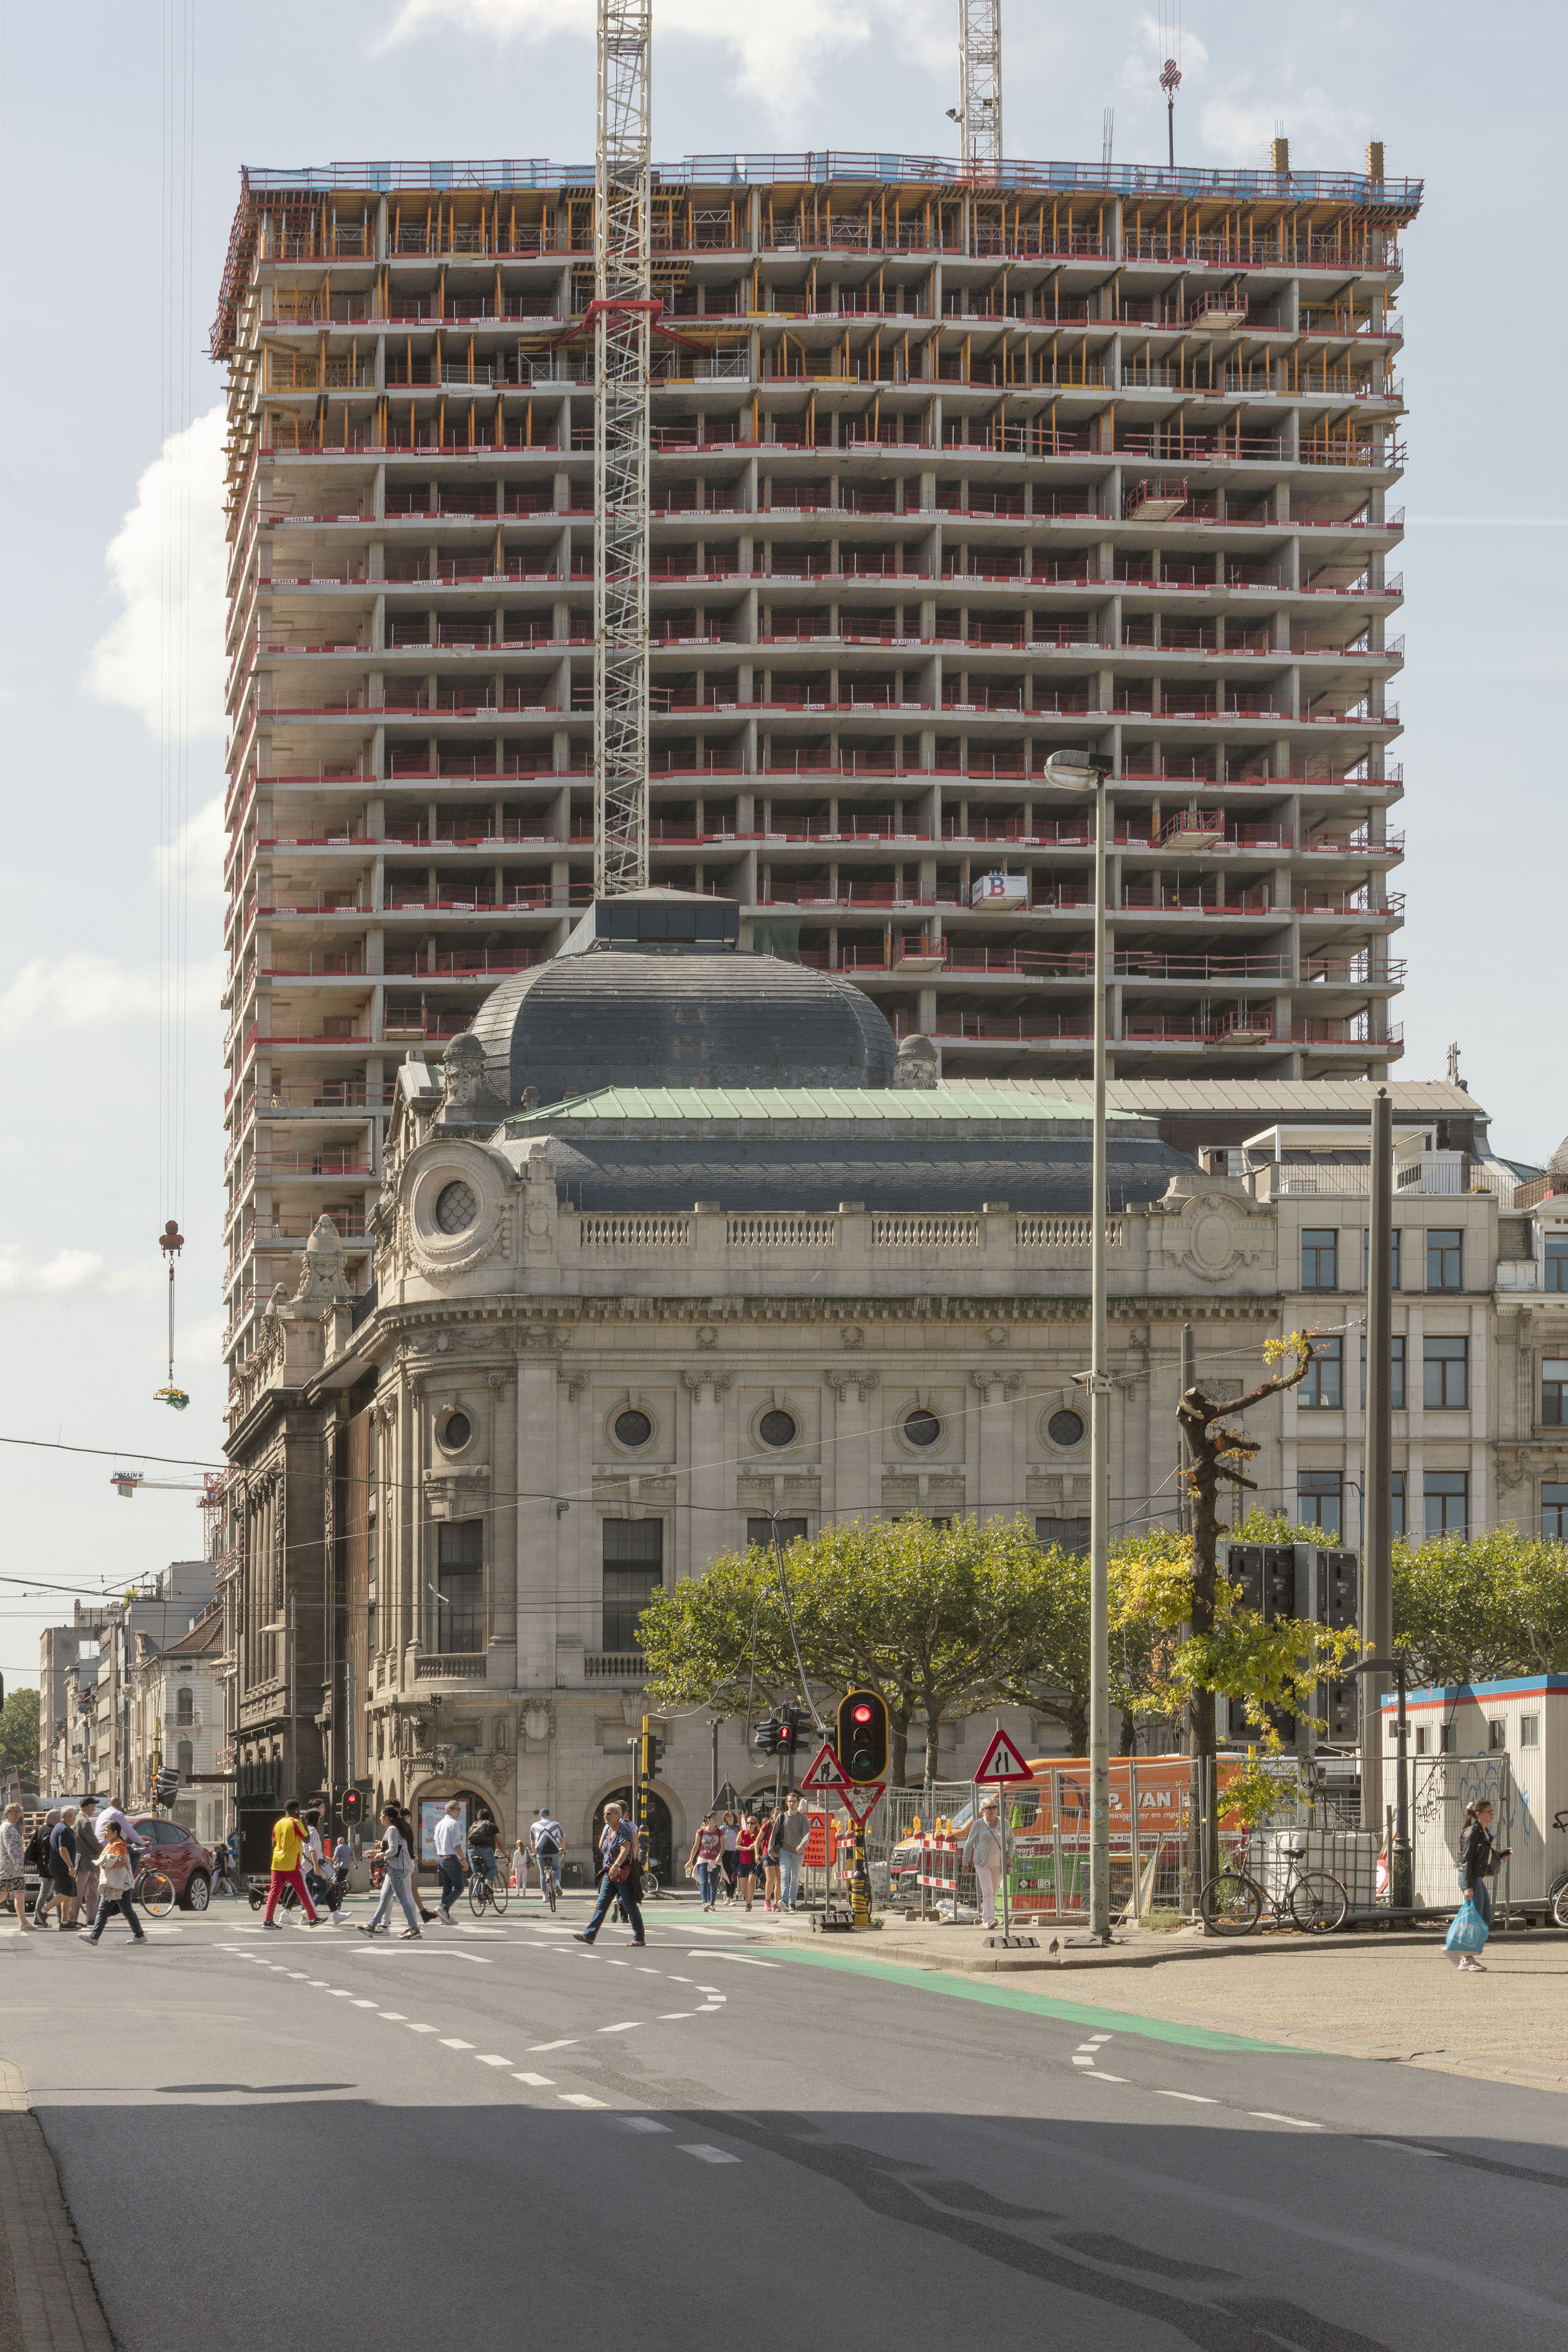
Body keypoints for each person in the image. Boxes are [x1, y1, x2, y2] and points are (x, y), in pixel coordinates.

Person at [573, 1803, 644, 1948]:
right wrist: (609, 1863)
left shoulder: (622, 1830)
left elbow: (626, 1849)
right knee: (601, 1904)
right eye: (605, 1813)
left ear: (618, 1815)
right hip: (609, 1873)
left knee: (630, 1906)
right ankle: (590, 1935)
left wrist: (616, 1865)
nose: (606, 1816)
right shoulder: (609, 1830)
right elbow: (602, 1847)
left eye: (609, 1813)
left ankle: (639, 1937)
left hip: (622, 1873)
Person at [1454, 1798, 1510, 1973]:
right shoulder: (1473, 1833)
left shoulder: (1483, 1832)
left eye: (1493, 1811)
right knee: (1475, 1919)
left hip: (1475, 1878)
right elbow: (1467, 1861)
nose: (1492, 1814)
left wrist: (1499, 1857)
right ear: (1479, 1814)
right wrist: (1468, 1887)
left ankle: (1467, 1957)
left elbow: (1480, 1857)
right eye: (1489, 1812)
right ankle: (1465, 1959)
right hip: (1469, 1878)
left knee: (1485, 1918)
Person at [358, 1806, 421, 1938]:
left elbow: (393, 1851)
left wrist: (381, 1855)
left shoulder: (392, 1830)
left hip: (397, 1869)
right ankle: (372, 1926)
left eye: (381, 1815)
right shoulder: (394, 1829)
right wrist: (377, 1852)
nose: (380, 1817)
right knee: (385, 1898)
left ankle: (414, 1929)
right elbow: (395, 1848)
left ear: (387, 1817)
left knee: (403, 1899)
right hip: (395, 1869)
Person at [83, 1827, 147, 1947]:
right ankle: (139, 1935)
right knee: (122, 1910)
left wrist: (107, 1864)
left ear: (115, 1832)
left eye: (107, 1831)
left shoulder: (118, 1845)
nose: (104, 1833)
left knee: (109, 1910)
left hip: (118, 1883)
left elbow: (123, 1861)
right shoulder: (111, 1844)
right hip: (114, 1882)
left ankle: (94, 1936)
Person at [262, 1803, 320, 1931]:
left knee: (274, 1891)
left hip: (277, 1861)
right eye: (299, 1810)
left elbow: (274, 1843)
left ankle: (268, 1920)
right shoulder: (295, 1823)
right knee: (303, 1891)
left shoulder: (278, 1824)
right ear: (295, 1810)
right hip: (292, 1863)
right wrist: (304, 1823)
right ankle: (313, 1918)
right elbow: (307, 1839)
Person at [963, 1795, 1005, 1931]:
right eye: (989, 1808)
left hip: (998, 1863)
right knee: (987, 1890)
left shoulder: (1004, 1823)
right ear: (983, 1810)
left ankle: (985, 1918)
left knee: (993, 1893)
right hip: (982, 1863)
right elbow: (969, 1844)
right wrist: (965, 1863)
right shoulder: (978, 1825)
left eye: (994, 1807)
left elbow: (1011, 1841)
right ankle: (991, 1920)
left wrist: (1009, 1855)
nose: (992, 1810)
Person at [775, 1792, 812, 1914]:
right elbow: (774, 1834)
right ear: (787, 1803)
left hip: (798, 1852)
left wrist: (802, 1845)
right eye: (790, 1801)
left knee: (795, 1878)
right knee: (785, 1875)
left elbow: (807, 1833)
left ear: (797, 1803)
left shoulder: (802, 1818)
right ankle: (784, 1900)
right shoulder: (782, 1817)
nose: (792, 1803)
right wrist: (770, 1850)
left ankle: (792, 1903)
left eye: (794, 1801)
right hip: (784, 1851)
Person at [432, 1799, 467, 1923]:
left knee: (447, 1888)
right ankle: (443, 1908)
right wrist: (463, 1860)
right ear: (449, 1810)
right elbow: (456, 1844)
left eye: (459, 1809)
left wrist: (439, 1859)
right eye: (456, 1809)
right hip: (450, 1858)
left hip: (441, 1857)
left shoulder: (439, 1824)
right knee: (459, 1887)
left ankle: (444, 1917)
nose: (459, 1811)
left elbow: (436, 1843)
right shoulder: (454, 1824)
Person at [46, 1808, 81, 1931]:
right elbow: (63, 1849)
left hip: (59, 1866)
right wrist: (71, 1867)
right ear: (70, 1816)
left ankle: (65, 1922)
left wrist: (73, 1835)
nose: (76, 1819)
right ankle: (43, 1910)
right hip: (63, 1867)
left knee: (69, 1895)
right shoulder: (64, 1829)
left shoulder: (61, 1827)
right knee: (66, 1893)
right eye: (75, 1816)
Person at [687, 1810, 724, 1912]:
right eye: (714, 1818)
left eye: (717, 1818)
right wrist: (690, 1861)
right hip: (703, 1859)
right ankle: (705, 1902)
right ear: (708, 1820)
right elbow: (696, 1847)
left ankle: (712, 1904)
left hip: (715, 1860)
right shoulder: (701, 1832)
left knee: (713, 1883)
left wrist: (720, 1855)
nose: (716, 1820)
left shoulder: (719, 1832)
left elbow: (723, 1847)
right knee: (704, 1882)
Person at [73, 1799, 102, 1931]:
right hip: (86, 1860)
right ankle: (73, 1918)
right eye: (94, 1807)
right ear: (89, 1807)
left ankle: (92, 1917)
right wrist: (102, 1851)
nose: (94, 1810)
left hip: (86, 1861)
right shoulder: (83, 1821)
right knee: (81, 1891)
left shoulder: (77, 1818)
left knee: (92, 1890)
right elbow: (92, 1840)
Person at [0, 1803, 29, 1932]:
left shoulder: (10, 1827)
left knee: (20, 1893)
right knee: (2, 1895)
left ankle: (24, 1922)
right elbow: (10, 1847)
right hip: (9, 1869)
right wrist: (17, 1863)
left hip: (13, 1869)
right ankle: (24, 1922)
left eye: (19, 1812)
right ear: (7, 1814)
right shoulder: (7, 1828)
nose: (17, 1815)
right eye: (14, 1812)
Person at [530, 1809, 564, 1902]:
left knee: (542, 1873)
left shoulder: (534, 1826)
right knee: (556, 1868)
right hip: (554, 1851)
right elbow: (562, 1839)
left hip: (541, 1852)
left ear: (540, 1816)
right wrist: (563, 1849)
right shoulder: (556, 1824)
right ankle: (557, 1882)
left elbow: (532, 1842)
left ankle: (545, 1895)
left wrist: (534, 1852)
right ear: (549, 1815)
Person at [469, 1807, 500, 1894]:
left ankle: (477, 1894)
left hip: (471, 1849)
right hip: (485, 1849)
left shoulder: (473, 1826)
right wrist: (505, 1853)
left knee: (476, 1872)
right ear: (489, 1818)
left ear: (478, 1818)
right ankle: (488, 1881)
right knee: (492, 1868)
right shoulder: (492, 1825)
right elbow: (499, 1841)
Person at [734, 1813, 761, 1914]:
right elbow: (737, 1846)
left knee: (751, 1882)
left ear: (755, 1825)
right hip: (743, 1862)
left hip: (754, 1862)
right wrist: (747, 1848)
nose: (750, 1825)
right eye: (748, 1823)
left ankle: (748, 1904)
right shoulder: (742, 1833)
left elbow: (762, 1844)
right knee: (744, 1886)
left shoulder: (758, 1835)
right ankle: (748, 1900)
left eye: (752, 1823)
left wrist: (757, 1845)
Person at [761, 1811, 782, 1913]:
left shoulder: (784, 1825)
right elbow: (758, 1840)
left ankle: (777, 1904)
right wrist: (757, 1854)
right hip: (767, 1853)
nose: (778, 1816)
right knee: (771, 1877)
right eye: (776, 1814)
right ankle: (767, 1901)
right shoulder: (768, 1825)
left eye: (780, 1814)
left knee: (779, 1879)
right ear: (772, 1815)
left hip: (779, 1853)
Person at [719, 1809, 740, 1903]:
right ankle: (728, 1896)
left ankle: (732, 1895)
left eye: (730, 1817)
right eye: (727, 1817)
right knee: (727, 1875)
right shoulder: (722, 1829)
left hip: (735, 1854)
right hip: (726, 1854)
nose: (729, 1818)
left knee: (733, 1875)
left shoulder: (738, 1828)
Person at [511, 1831, 529, 1900]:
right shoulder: (527, 1850)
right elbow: (530, 1857)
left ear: (517, 1845)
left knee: (517, 1880)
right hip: (525, 1867)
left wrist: (513, 1869)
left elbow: (515, 1861)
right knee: (524, 1880)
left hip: (518, 1867)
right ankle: (524, 1891)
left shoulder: (516, 1852)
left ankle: (518, 1891)